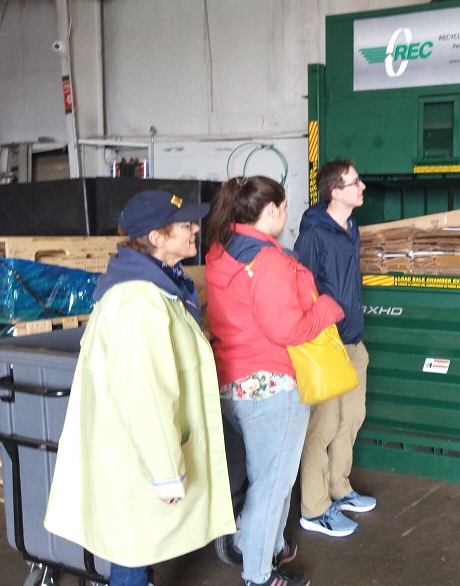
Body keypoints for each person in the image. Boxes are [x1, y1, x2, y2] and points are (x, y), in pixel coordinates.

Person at [44, 190, 235, 586]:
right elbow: (144, 394)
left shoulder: (154, 289)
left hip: (133, 457)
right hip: (136, 460)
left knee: (136, 554)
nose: (196, 230)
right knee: (132, 557)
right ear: (156, 237)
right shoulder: (138, 301)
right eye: (186, 225)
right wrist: (166, 471)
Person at [206, 176, 344, 586]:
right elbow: (287, 329)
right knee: (272, 482)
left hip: (233, 381)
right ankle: (258, 574)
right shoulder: (266, 260)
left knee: (265, 473)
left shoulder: (223, 251)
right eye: (285, 209)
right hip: (270, 387)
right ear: (270, 211)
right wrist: (328, 310)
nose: (287, 217)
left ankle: (265, 543)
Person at [294, 159, 374, 537]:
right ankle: (313, 507)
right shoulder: (313, 234)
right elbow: (301, 291)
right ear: (335, 192)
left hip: (354, 341)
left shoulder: (350, 227)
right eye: (355, 182)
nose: (362, 187)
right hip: (327, 344)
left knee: (351, 417)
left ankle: (339, 489)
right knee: (323, 425)